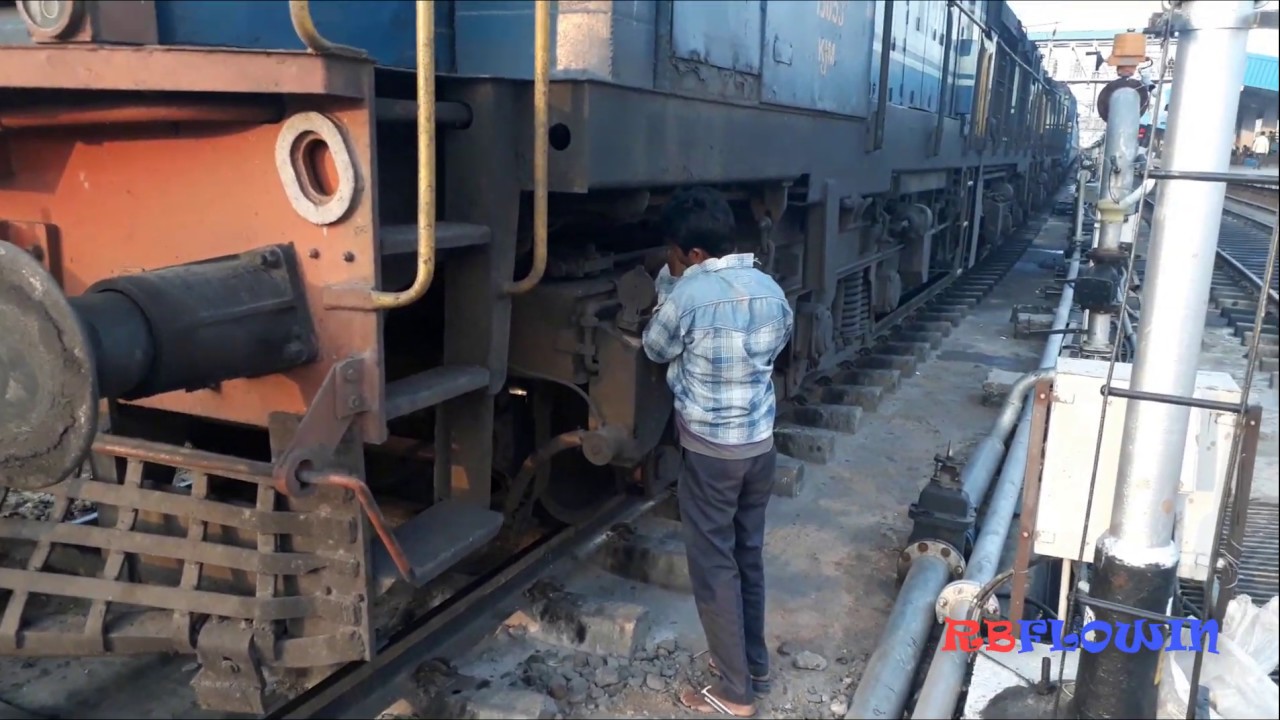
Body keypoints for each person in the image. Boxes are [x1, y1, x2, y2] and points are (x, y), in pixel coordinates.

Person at [641, 186, 795, 718]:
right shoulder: (770, 289)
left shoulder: (687, 297)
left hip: (711, 453)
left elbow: (656, 348)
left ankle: (734, 693)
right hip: (760, 448)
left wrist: (669, 290)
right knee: (746, 553)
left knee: (713, 568)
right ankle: (753, 664)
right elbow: (780, 346)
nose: (670, 260)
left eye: (672, 254)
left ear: (693, 256)